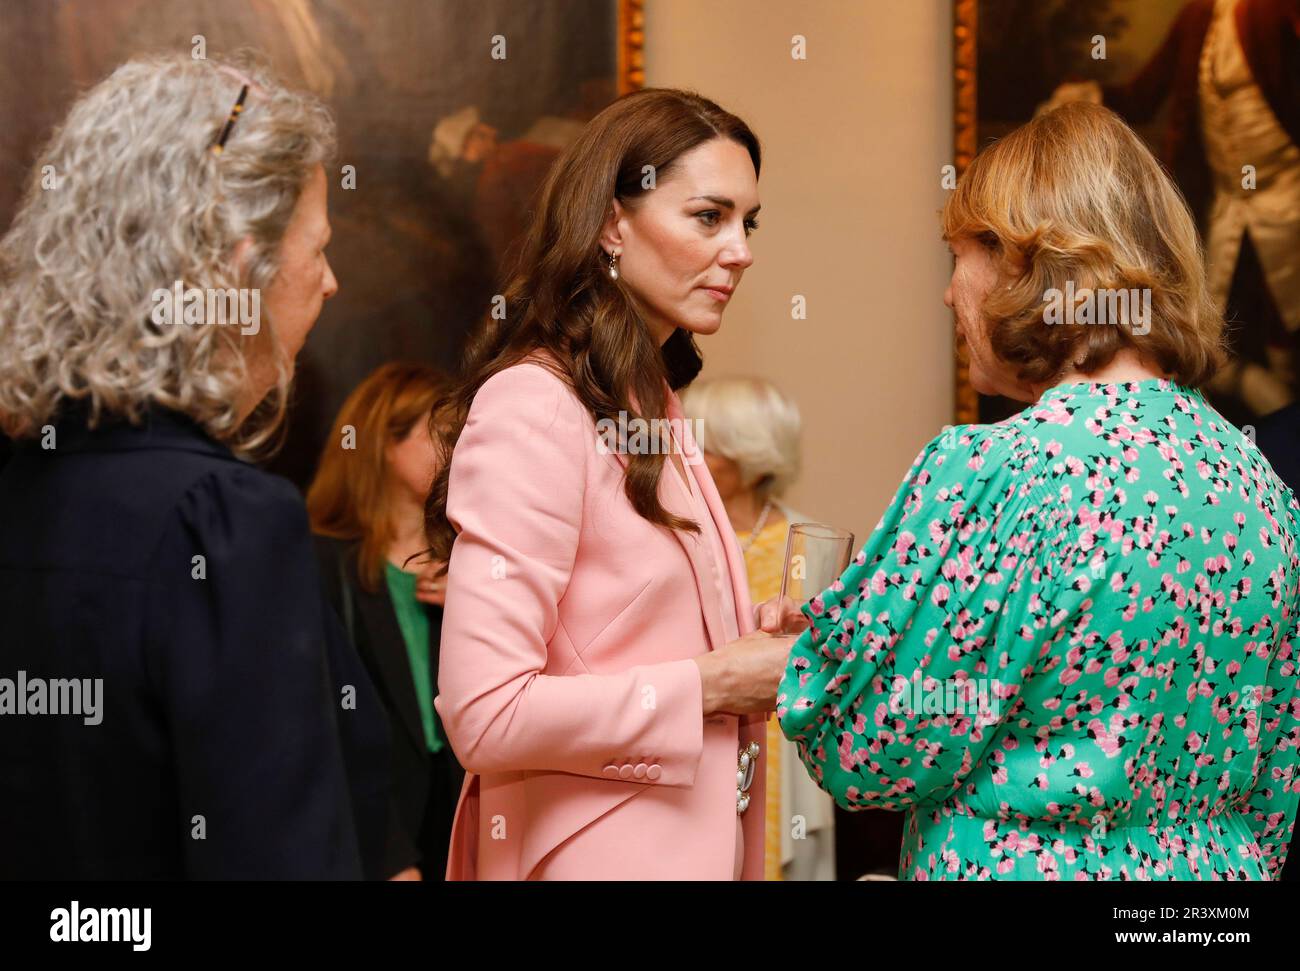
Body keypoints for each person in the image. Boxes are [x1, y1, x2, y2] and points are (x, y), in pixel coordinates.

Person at [780, 101, 1300, 880]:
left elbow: (870, 751)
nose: (947, 295)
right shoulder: (1254, 480)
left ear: (1022, 263)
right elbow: (1275, 778)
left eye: (955, 258)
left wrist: (813, 661)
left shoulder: (999, 471)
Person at [0, 53, 391, 878]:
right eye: (314, 249)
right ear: (238, 268)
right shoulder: (222, 519)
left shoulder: (26, 482)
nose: (329, 281)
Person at [424, 88, 796, 880]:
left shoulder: (650, 403)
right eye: (709, 216)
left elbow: (628, 634)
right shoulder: (535, 403)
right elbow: (484, 713)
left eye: (747, 222)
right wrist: (714, 679)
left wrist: (751, 636)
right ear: (609, 224)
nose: (741, 250)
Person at [309, 362, 465, 881]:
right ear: (382, 442)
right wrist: (390, 856)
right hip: (371, 828)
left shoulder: (473, 562)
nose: (458, 450)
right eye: (441, 434)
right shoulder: (322, 564)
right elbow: (320, 726)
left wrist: (475, 598)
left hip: (462, 816)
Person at [681, 376, 836, 880]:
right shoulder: (681, 532)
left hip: (779, 748)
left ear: (748, 456)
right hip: (696, 730)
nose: (692, 456)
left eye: (708, 446)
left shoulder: (805, 541)